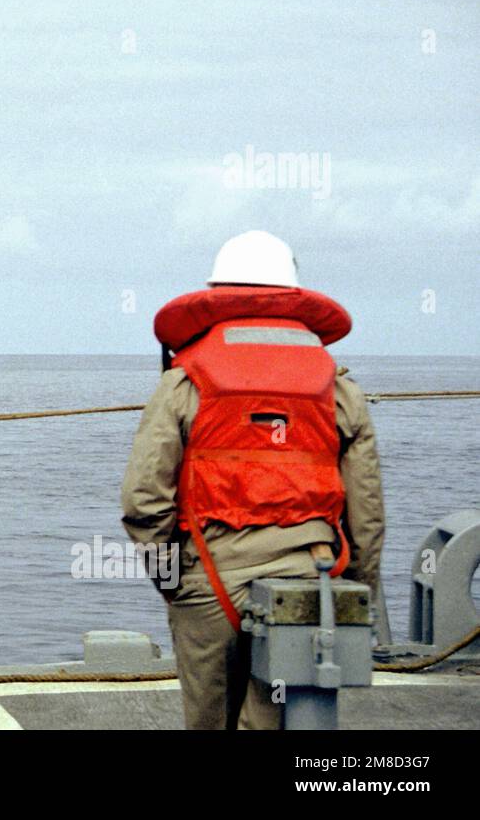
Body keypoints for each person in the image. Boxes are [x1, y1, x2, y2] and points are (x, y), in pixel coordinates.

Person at [120, 230, 385, 730]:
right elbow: (367, 513)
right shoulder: (339, 388)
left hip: (207, 580)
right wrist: (358, 589)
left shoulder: (183, 382)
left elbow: (143, 499)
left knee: (208, 720)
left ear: (217, 296)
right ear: (293, 299)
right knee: (276, 720)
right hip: (309, 578)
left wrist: (173, 582)